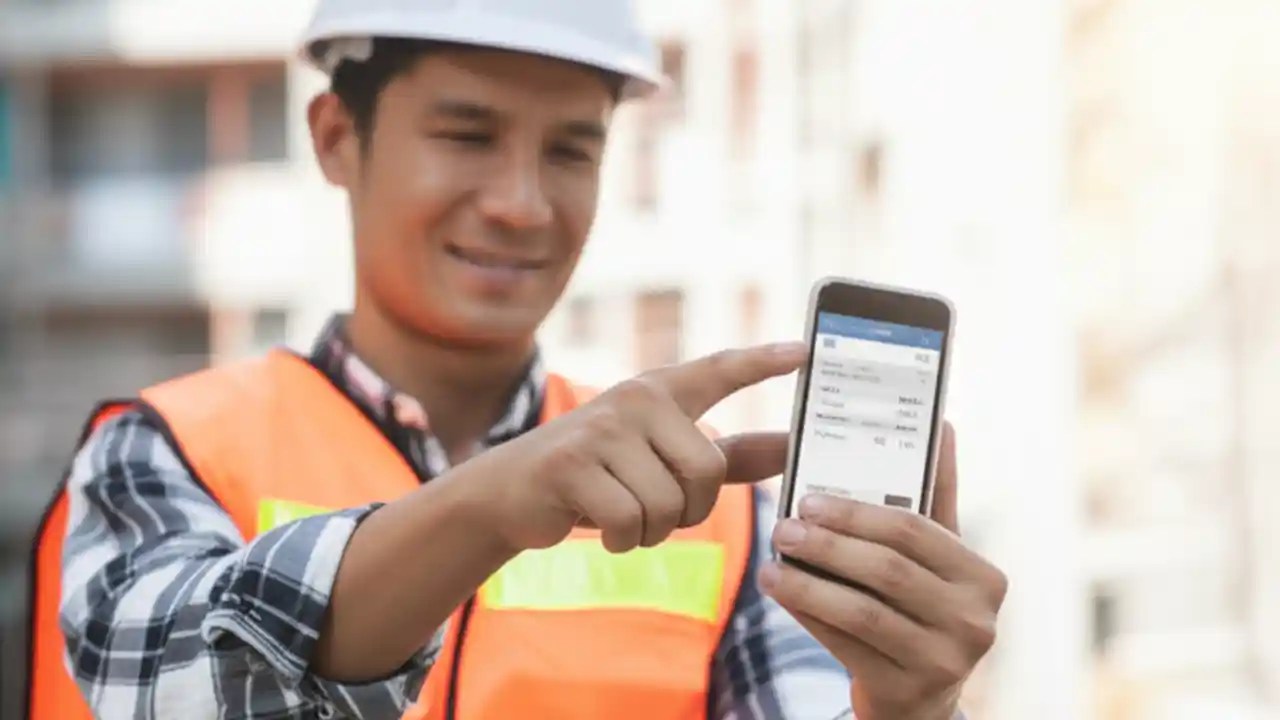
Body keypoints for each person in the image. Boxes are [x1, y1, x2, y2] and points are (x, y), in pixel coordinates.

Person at [26, 1, 1008, 718]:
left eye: (570, 153)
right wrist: (494, 502)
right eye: (466, 135)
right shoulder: (164, 450)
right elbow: (163, 681)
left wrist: (906, 706)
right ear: (334, 136)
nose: (523, 204)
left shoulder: (727, 510)